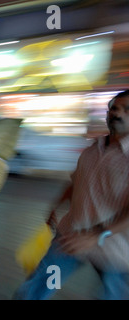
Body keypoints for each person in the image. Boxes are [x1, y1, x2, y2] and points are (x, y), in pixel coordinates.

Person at [14, 90, 129, 300]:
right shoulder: (93, 149)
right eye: (114, 108)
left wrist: (96, 236)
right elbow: (77, 182)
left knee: (113, 295)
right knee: (40, 286)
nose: (118, 114)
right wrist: (56, 207)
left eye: (127, 110)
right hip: (71, 238)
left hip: (116, 249)